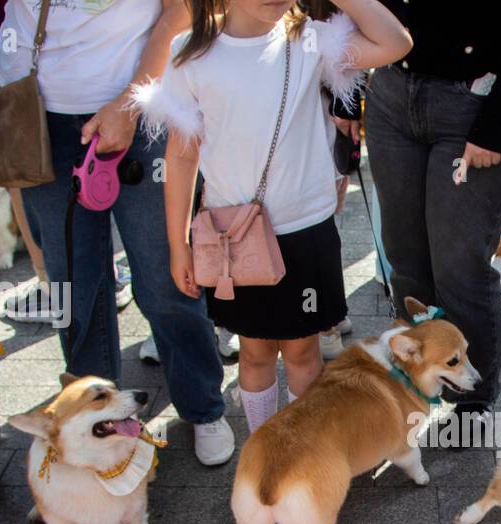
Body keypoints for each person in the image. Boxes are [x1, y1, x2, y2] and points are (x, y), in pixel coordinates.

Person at [140, 0, 410, 434]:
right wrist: (178, 244)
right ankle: (264, 450)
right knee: (255, 352)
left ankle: (303, 454)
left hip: (307, 231)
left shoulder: (312, 40)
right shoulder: (189, 54)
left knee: (305, 353)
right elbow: (181, 155)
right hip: (235, 238)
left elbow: (395, 42)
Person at [0, 0, 235, 466]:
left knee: (168, 279)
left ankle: (202, 406)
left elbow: (186, 9)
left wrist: (129, 104)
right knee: (73, 288)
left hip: (145, 108)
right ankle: (95, 424)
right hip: (37, 113)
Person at [364, 0, 501, 432]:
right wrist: (345, 95)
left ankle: (474, 399)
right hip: (392, 92)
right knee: (405, 259)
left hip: (477, 100)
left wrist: (492, 124)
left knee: (460, 267)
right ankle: (415, 381)